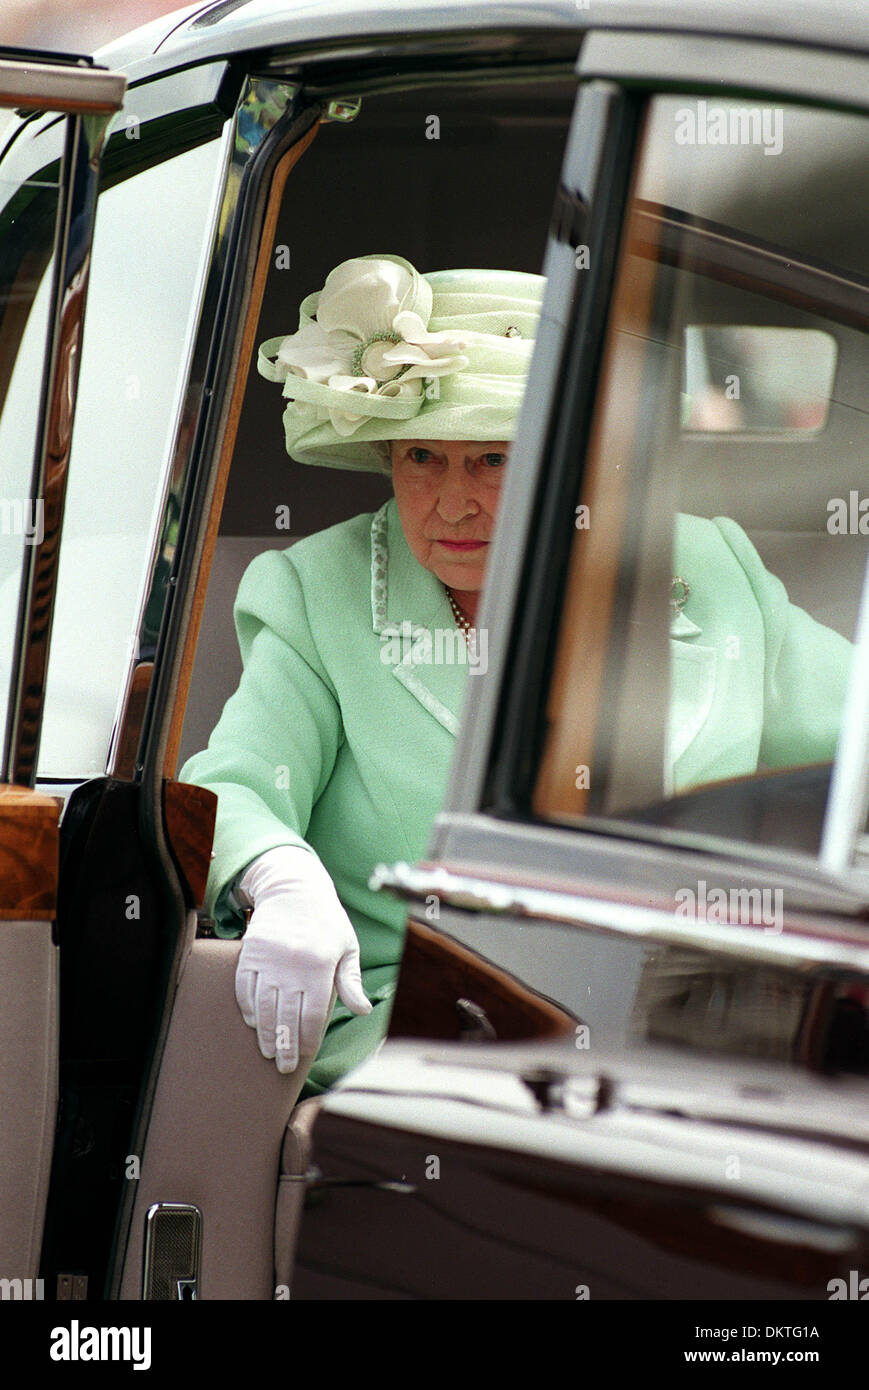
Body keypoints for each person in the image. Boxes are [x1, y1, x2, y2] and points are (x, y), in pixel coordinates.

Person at [179, 252, 853, 1093]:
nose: (451, 502)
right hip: (443, 1034)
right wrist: (279, 878)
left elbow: (851, 746)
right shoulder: (321, 590)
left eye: (491, 460)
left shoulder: (705, 565)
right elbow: (231, 788)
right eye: (421, 455)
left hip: (715, 1035)